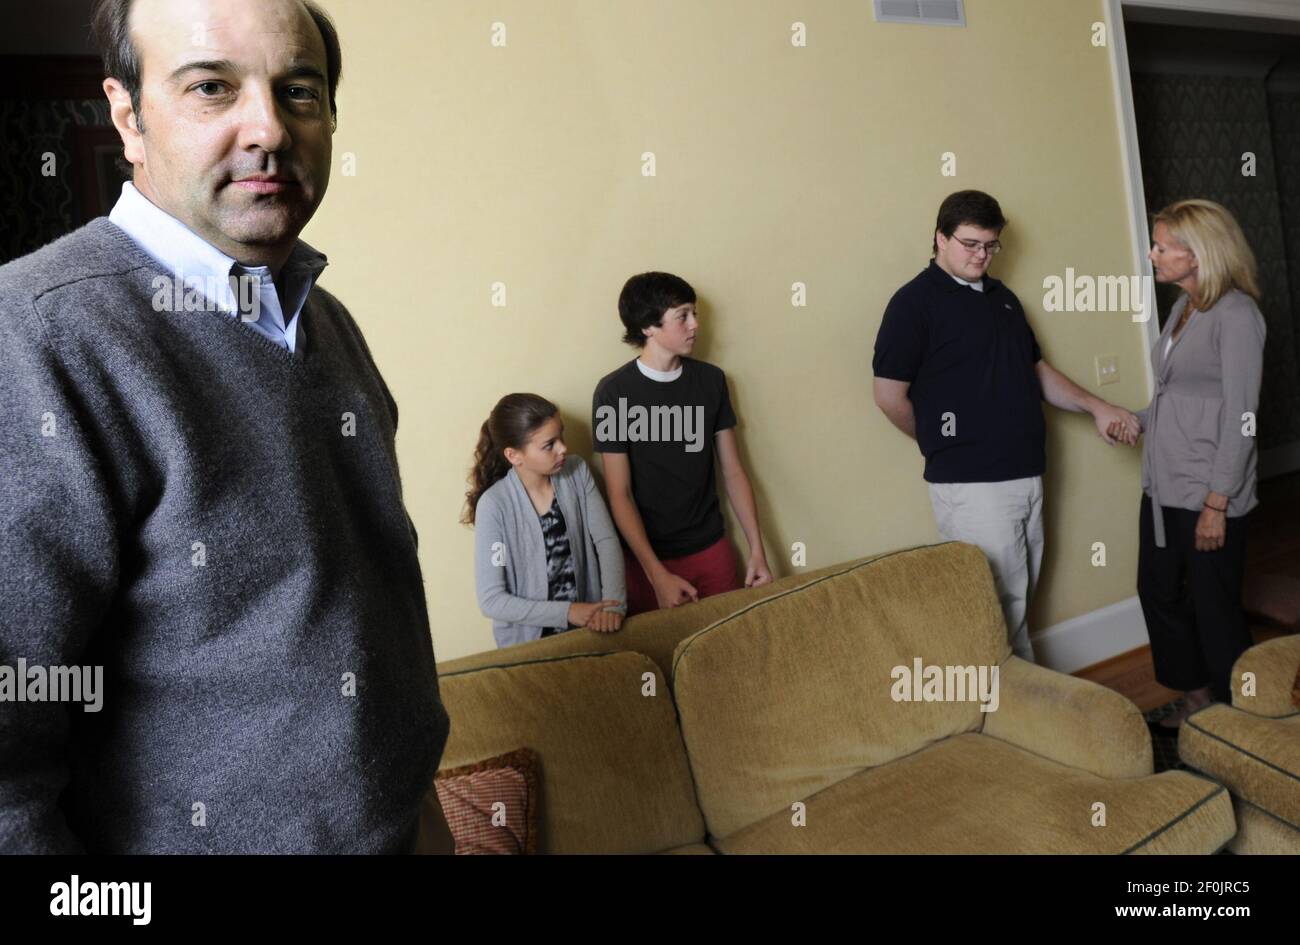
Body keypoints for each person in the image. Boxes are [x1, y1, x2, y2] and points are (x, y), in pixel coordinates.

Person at [0, 0, 452, 853]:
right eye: (213, 87)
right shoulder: (36, 334)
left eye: (300, 92)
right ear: (128, 117)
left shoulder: (331, 324)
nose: (270, 130)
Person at [873, 190, 1139, 663]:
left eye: (991, 246)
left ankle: (1019, 708)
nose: (982, 256)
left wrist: (1097, 406)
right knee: (988, 610)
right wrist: (942, 443)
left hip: (1027, 472)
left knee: (1017, 602)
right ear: (939, 237)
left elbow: (1037, 372)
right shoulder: (913, 304)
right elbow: (889, 396)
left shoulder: (1004, 299)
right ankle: (1004, 715)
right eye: (971, 244)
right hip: (972, 483)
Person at [1108, 199, 1265, 728]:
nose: (1152, 255)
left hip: (1208, 493)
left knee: (1215, 609)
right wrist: (1135, 419)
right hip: (1162, 485)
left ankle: (1248, 718)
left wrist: (1217, 504)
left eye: (1161, 247)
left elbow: (1242, 416)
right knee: (1158, 592)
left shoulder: (1237, 315)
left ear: (1198, 255)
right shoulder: (1183, 308)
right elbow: (1179, 398)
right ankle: (1199, 698)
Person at [592, 271, 773, 616]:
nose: (695, 325)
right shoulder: (612, 392)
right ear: (648, 327)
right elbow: (619, 494)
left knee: (731, 649)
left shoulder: (711, 381)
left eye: (695, 314)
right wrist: (656, 575)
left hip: (711, 549)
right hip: (647, 562)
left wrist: (757, 550)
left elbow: (733, 472)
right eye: (683, 316)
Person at [465, 394, 626, 647]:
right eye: (549, 444)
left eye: (561, 436)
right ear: (514, 455)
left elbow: (605, 540)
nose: (563, 448)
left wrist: (614, 606)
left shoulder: (577, 473)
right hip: (529, 647)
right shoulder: (495, 506)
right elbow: (492, 599)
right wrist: (568, 611)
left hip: (592, 629)